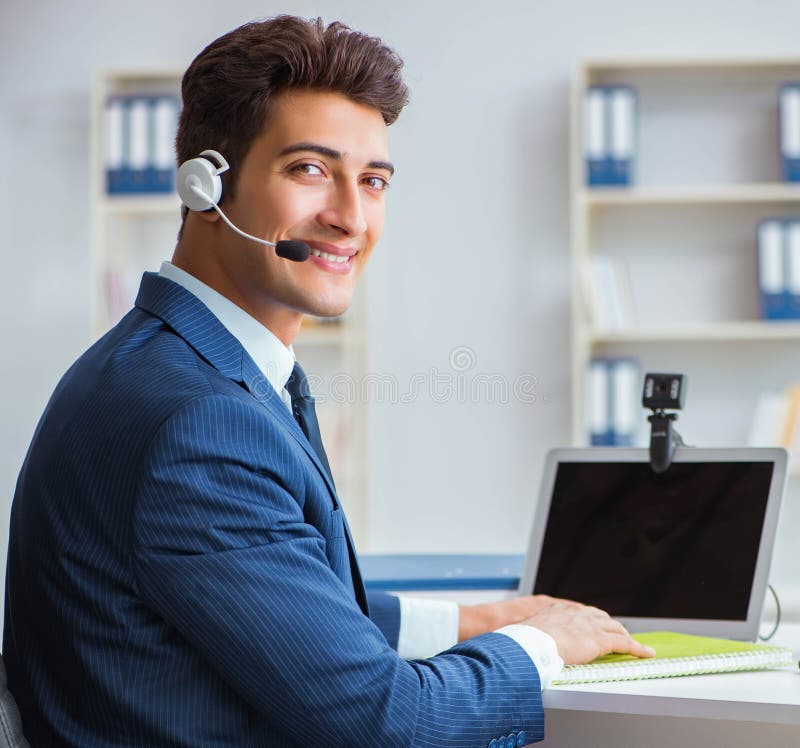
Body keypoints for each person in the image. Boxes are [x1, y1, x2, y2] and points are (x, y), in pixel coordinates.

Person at [3, 16, 653, 747]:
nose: (351, 217)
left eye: (372, 181)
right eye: (310, 170)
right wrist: (545, 647)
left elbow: (270, 602)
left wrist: (473, 622)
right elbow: (390, 723)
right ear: (205, 184)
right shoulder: (197, 421)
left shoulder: (166, 364)